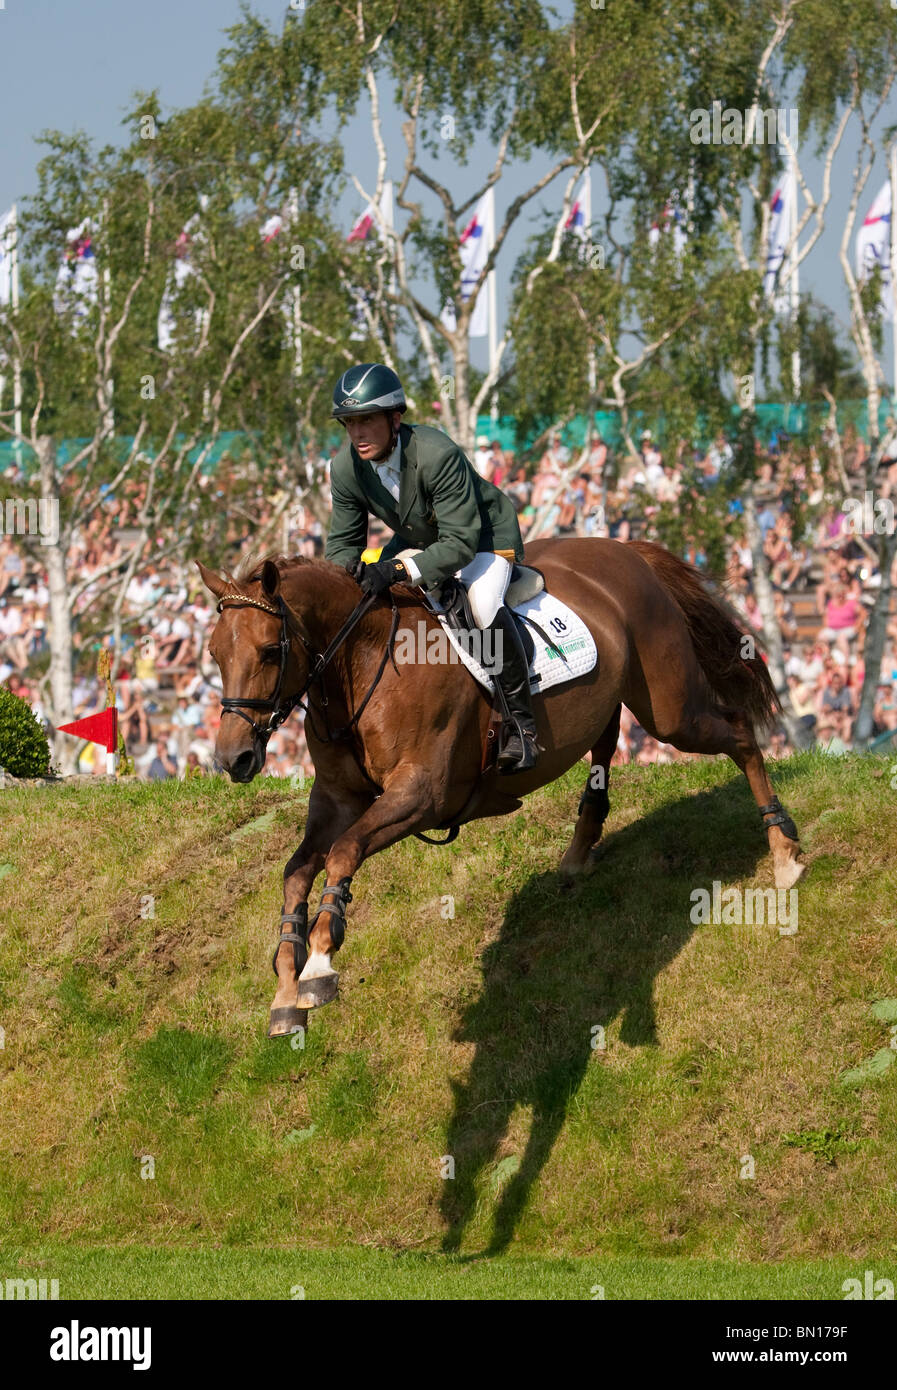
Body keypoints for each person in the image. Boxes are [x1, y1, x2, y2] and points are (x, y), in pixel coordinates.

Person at [324, 362, 542, 772]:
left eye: (366, 420)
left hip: (484, 537)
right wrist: (340, 584)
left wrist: (398, 571)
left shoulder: (436, 453)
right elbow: (342, 545)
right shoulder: (345, 468)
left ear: (395, 417)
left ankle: (522, 728)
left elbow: (459, 542)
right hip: (422, 539)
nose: (357, 433)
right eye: (349, 423)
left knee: (478, 605)